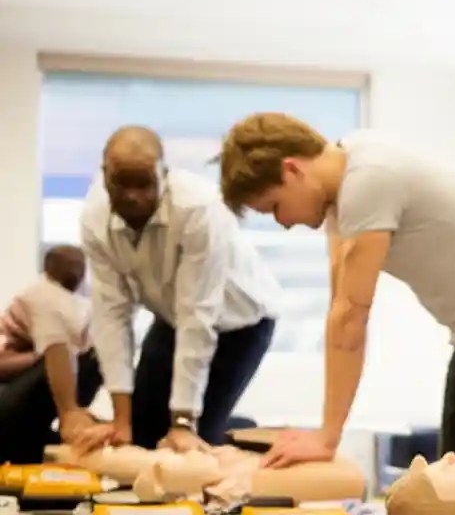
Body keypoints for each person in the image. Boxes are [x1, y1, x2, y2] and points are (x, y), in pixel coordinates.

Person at [217, 113, 455, 493]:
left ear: (292, 170)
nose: (284, 223)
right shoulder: (343, 177)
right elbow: (340, 307)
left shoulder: (368, 180)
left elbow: (351, 319)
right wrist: (325, 434)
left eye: (274, 207)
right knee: (454, 497)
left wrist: (326, 438)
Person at [80, 126, 280, 453]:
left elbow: (197, 316)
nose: (132, 196)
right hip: (170, 317)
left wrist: (183, 423)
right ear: (104, 175)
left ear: (164, 174)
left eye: (144, 184)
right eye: (121, 183)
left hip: (240, 323)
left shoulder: (199, 210)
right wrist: (120, 419)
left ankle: (234, 434)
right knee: (141, 434)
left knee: (193, 442)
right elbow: (111, 315)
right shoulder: (94, 218)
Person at [0, 245, 104, 464]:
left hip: (30, 372)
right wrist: (69, 410)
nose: (75, 271)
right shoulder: (43, 296)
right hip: (10, 367)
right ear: (49, 268)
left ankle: (73, 424)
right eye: (70, 265)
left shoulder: (76, 298)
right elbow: (57, 349)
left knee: (94, 358)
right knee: (75, 359)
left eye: (79, 266)